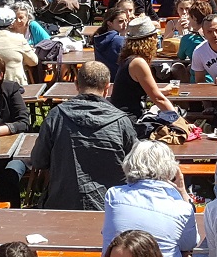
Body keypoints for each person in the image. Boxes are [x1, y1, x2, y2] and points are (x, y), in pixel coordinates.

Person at [31, 61, 138, 210]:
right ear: (107, 87)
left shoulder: (56, 116)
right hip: (112, 208)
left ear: (76, 84)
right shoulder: (122, 122)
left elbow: (38, 160)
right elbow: (137, 167)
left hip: (62, 205)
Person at [99, 140, 198, 257]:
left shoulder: (113, 196)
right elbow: (190, 243)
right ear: (171, 169)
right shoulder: (182, 208)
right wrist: (182, 192)